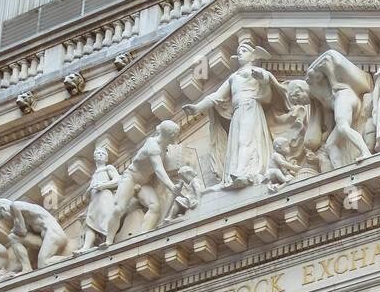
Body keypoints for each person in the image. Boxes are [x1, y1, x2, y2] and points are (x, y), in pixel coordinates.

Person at [183, 38, 287, 189]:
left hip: (251, 107)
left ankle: (243, 173)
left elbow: (268, 91)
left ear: (253, 55)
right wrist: (197, 107)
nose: (240, 55)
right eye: (238, 53)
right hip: (238, 111)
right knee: (236, 144)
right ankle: (236, 173)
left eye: (244, 51)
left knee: (245, 140)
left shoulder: (257, 72)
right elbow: (216, 97)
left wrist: (263, 79)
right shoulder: (233, 78)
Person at [108, 121, 179, 240]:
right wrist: (172, 187)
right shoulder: (153, 147)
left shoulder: (164, 149)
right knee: (118, 209)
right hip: (131, 178)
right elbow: (159, 170)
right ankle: (108, 240)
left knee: (155, 207)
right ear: (169, 135)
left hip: (144, 183)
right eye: (175, 134)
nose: (177, 136)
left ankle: (142, 236)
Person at [0, 198, 70, 269]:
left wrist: (13, 229)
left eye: (3, 217)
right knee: (13, 237)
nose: (7, 220)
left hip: (54, 234)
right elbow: (22, 233)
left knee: (43, 263)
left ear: (3, 209)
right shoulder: (26, 216)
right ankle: (26, 268)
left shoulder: (15, 205)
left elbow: (22, 230)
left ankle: (71, 258)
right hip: (44, 239)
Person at [80, 144, 121, 251]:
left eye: (103, 154)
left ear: (106, 158)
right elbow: (87, 194)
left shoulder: (108, 168)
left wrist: (103, 185)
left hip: (105, 197)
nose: (101, 155)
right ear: (94, 157)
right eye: (98, 153)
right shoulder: (95, 174)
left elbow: (117, 180)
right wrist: (90, 190)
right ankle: (86, 247)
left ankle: (109, 240)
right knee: (91, 222)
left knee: (106, 217)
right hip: (94, 201)